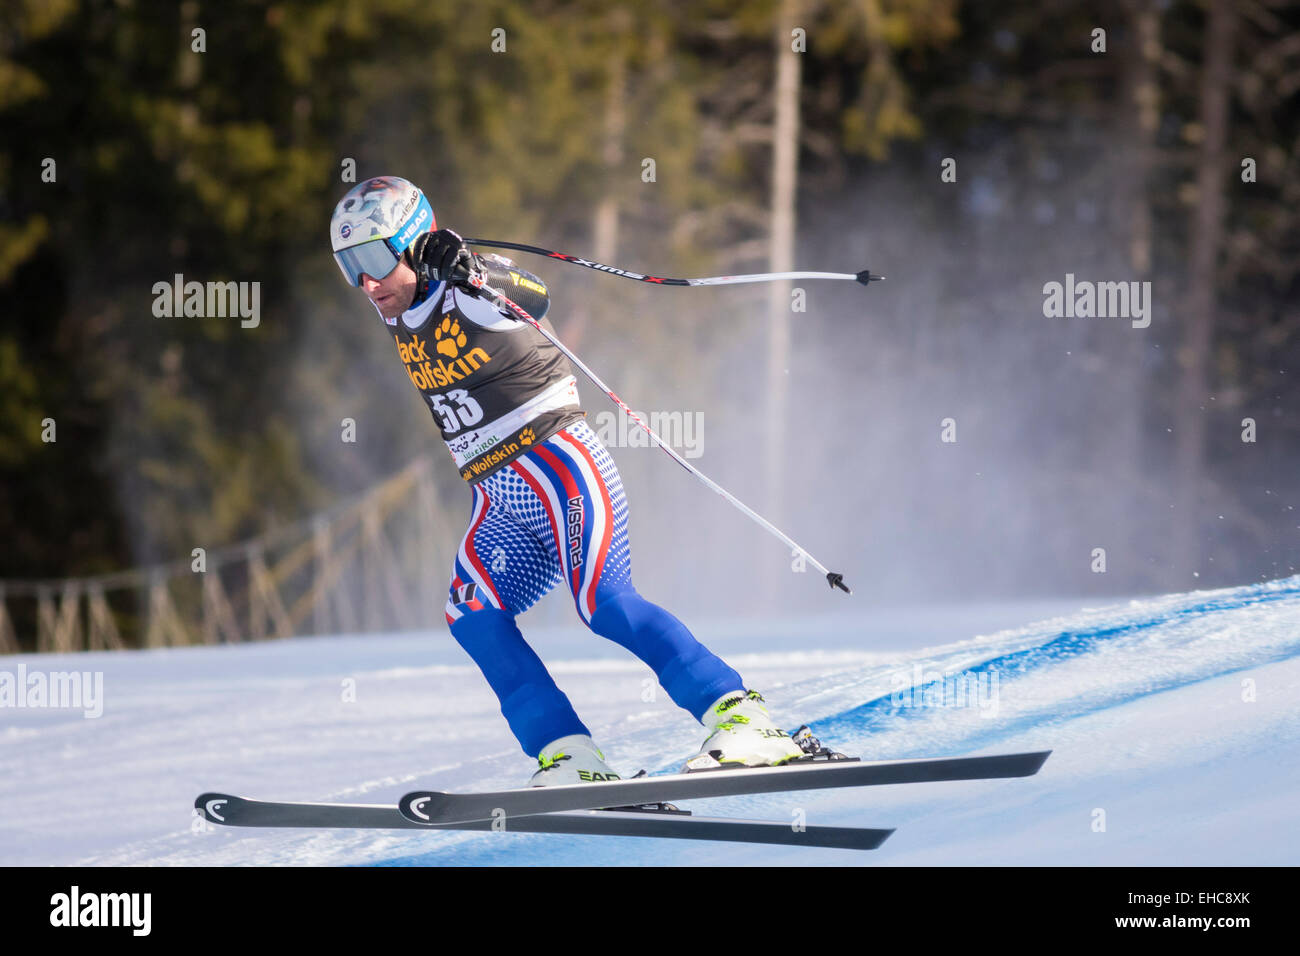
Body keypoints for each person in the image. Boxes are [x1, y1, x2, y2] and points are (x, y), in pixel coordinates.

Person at [329, 175, 804, 785]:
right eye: (350, 267)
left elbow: (533, 292)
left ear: (414, 243)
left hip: (561, 469)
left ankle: (744, 721)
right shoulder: (399, 303)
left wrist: (468, 267)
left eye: (372, 259)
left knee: (604, 604)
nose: (366, 283)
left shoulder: (466, 285)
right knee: (471, 613)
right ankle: (568, 756)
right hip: (500, 498)